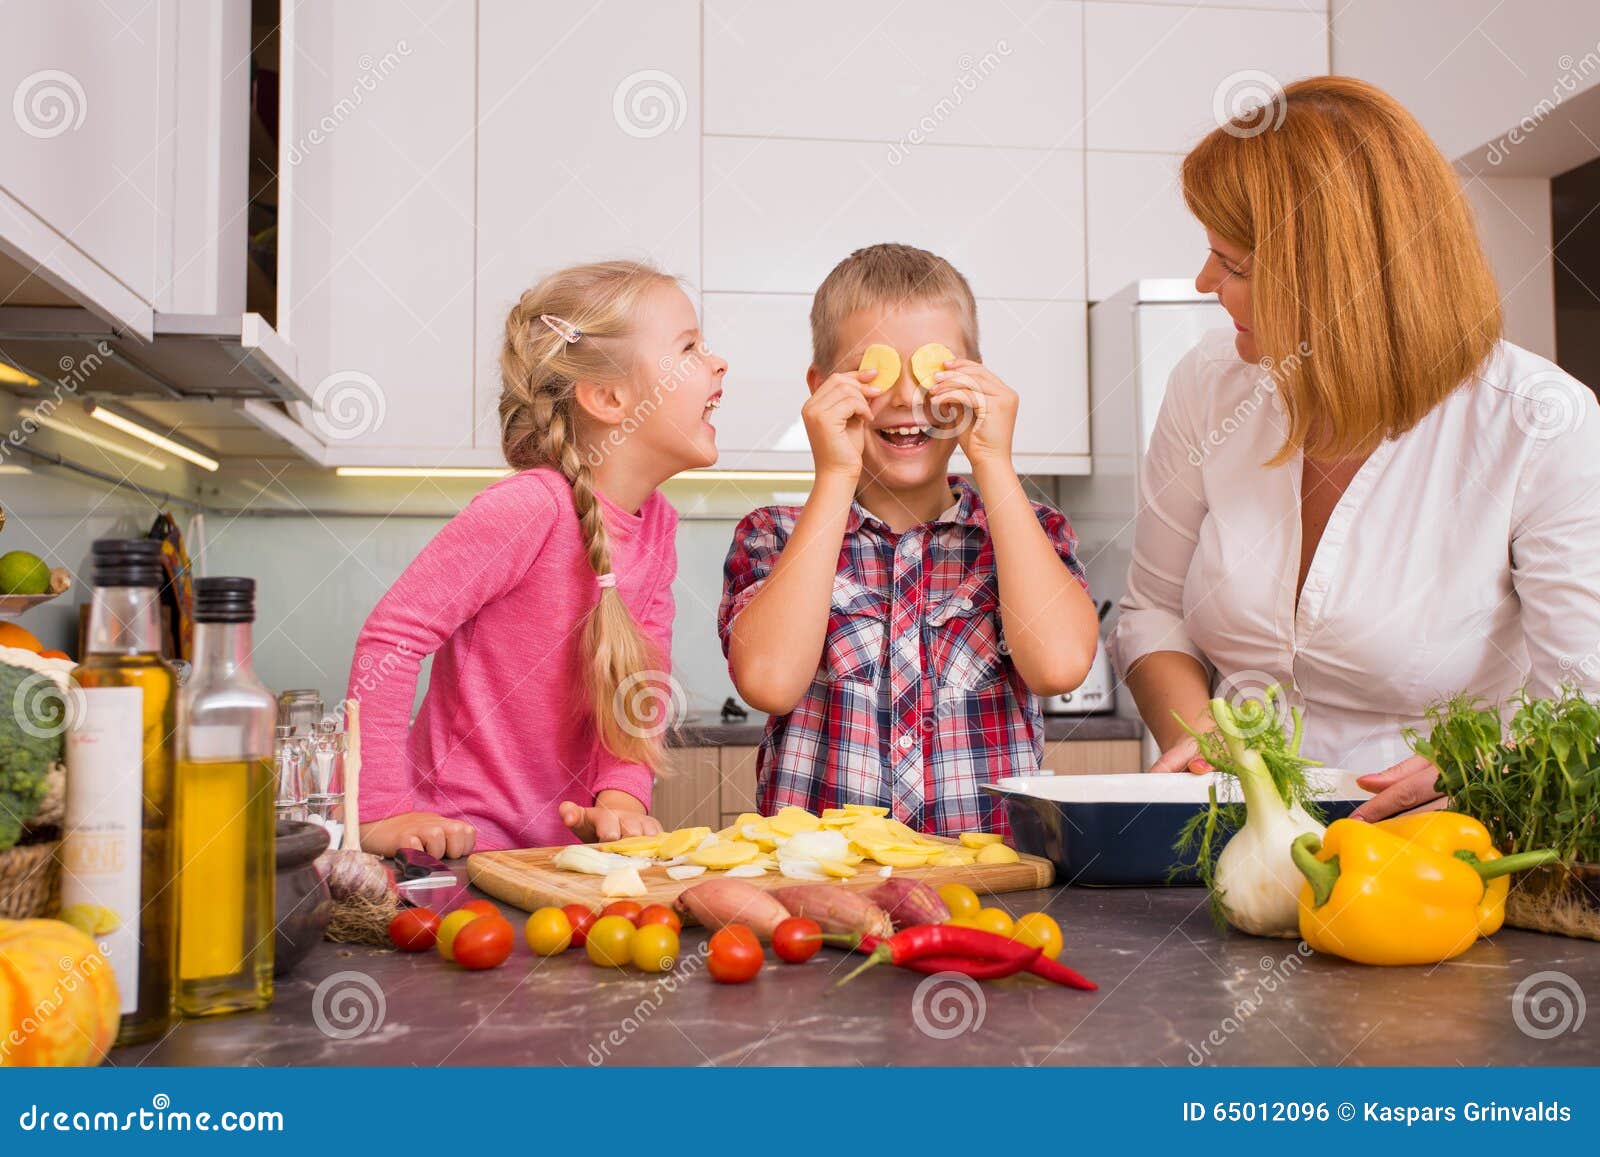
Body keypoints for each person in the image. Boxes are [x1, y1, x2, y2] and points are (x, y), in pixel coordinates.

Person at [1109, 76, 1600, 820]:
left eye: (1234, 266)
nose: (1206, 281)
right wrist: (1204, 733)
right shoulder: (1210, 383)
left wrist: (1474, 767)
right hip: (1234, 839)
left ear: (1332, 285)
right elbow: (1151, 612)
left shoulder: (1539, 423)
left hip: (1439, 854)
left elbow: (1583, 703)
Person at [718, 243, 1100, 835]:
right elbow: (769, 681)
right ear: (821, 387)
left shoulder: (1032, 533)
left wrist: (993, 459)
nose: (905, 398)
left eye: (933, 371)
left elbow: (1058, 667)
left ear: (976, 380)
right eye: (875, 372)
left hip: (986, 890)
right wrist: (836, 473)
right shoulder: (773, 534)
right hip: (820, 895)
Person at [349, 261, 727, 856]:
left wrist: (622, 795)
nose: (717, 361)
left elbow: (637, 683)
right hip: (454, 845)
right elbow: (391, 638)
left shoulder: (658, 526)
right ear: (608, 397)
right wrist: (378, 812)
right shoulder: (530, 508)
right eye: (689, 347)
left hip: (553, 856)